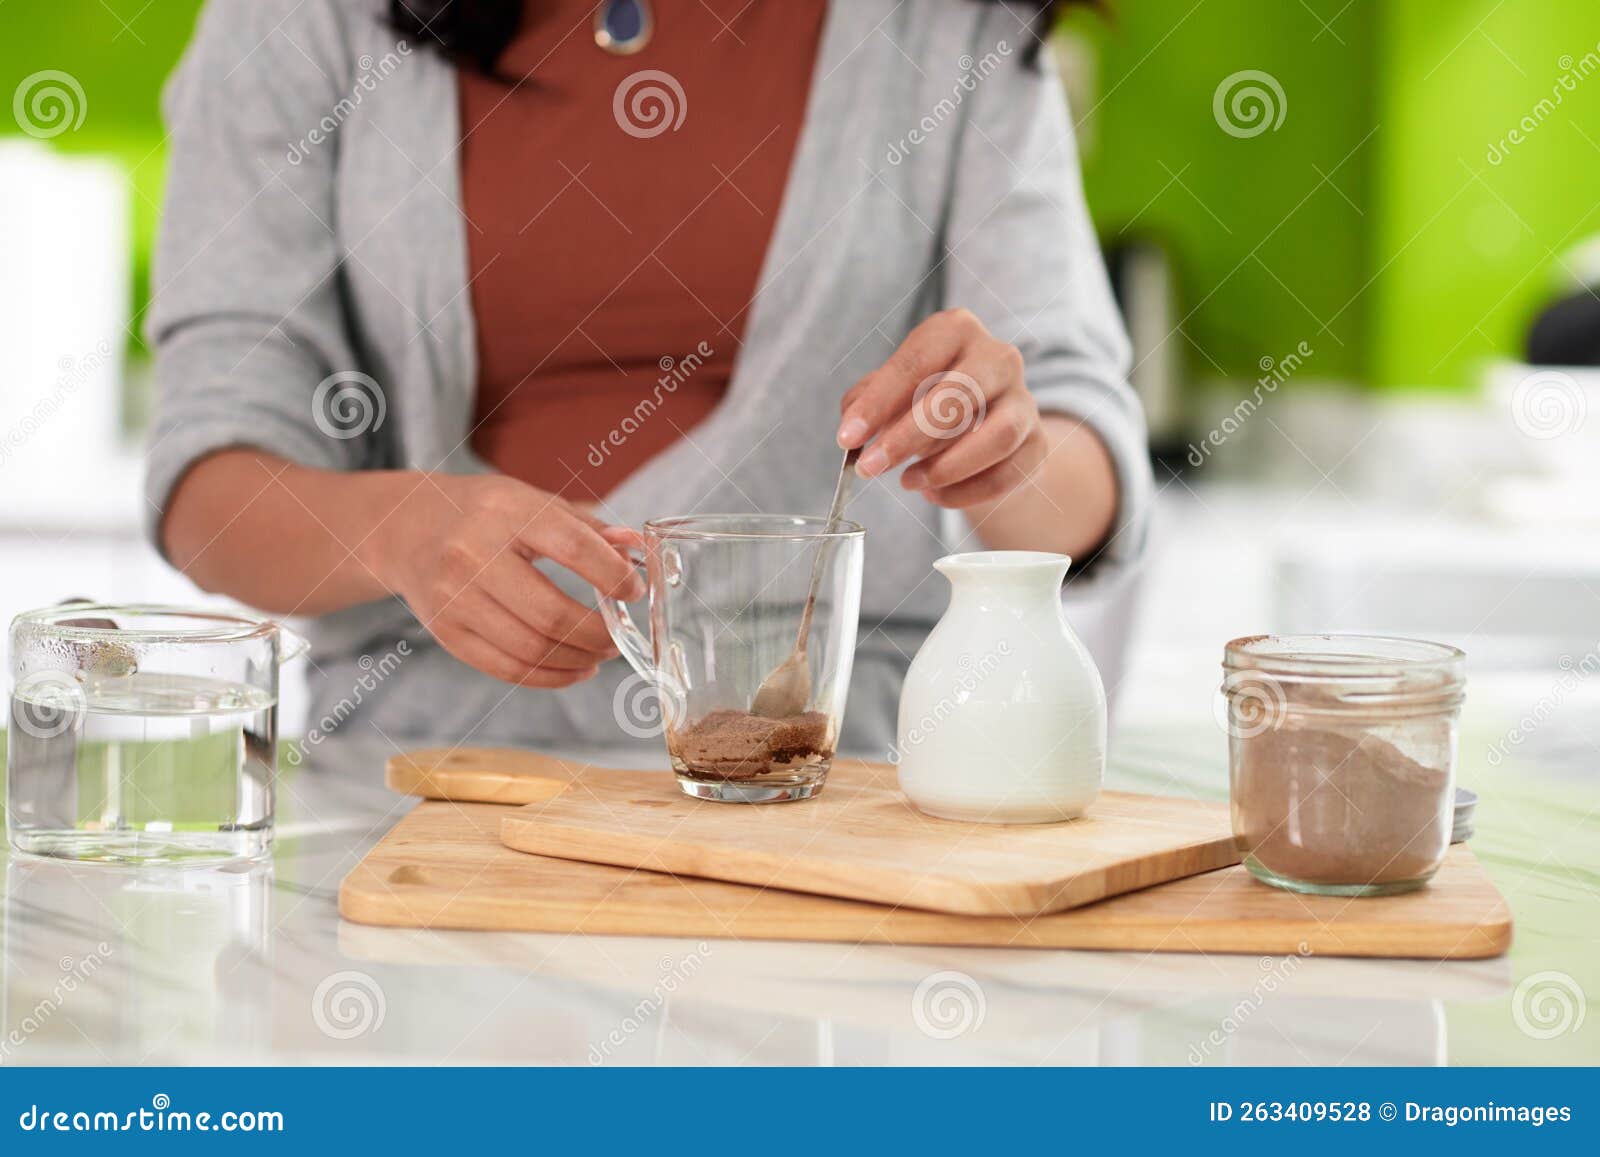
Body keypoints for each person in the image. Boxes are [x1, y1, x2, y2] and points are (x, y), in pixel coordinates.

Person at [146, 0, 1153, 756]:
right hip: (416, 777)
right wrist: (399, 526)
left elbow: (1080, 467)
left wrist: (1004, 454)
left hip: (842, 774)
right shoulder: (299, 20)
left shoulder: (946, 21)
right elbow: (209, 480)